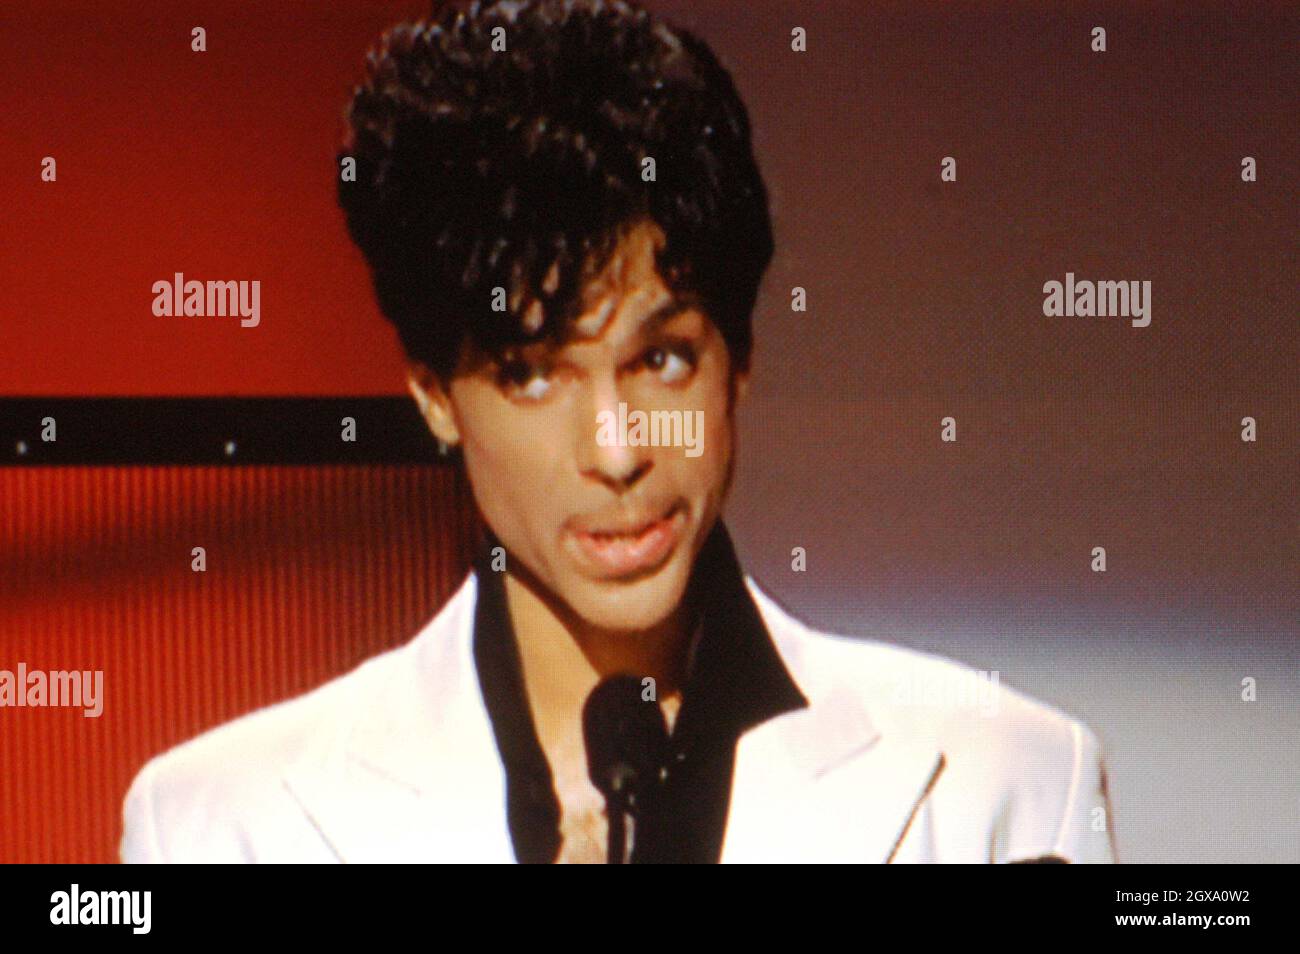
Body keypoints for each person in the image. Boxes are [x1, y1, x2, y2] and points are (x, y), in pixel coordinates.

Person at [120, 0, 1116, 863]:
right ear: (432, 395)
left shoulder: (1006, 782)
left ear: (740, 359)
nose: (615, 449)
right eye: (534, 374)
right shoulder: (219, 823)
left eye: (663, 358)